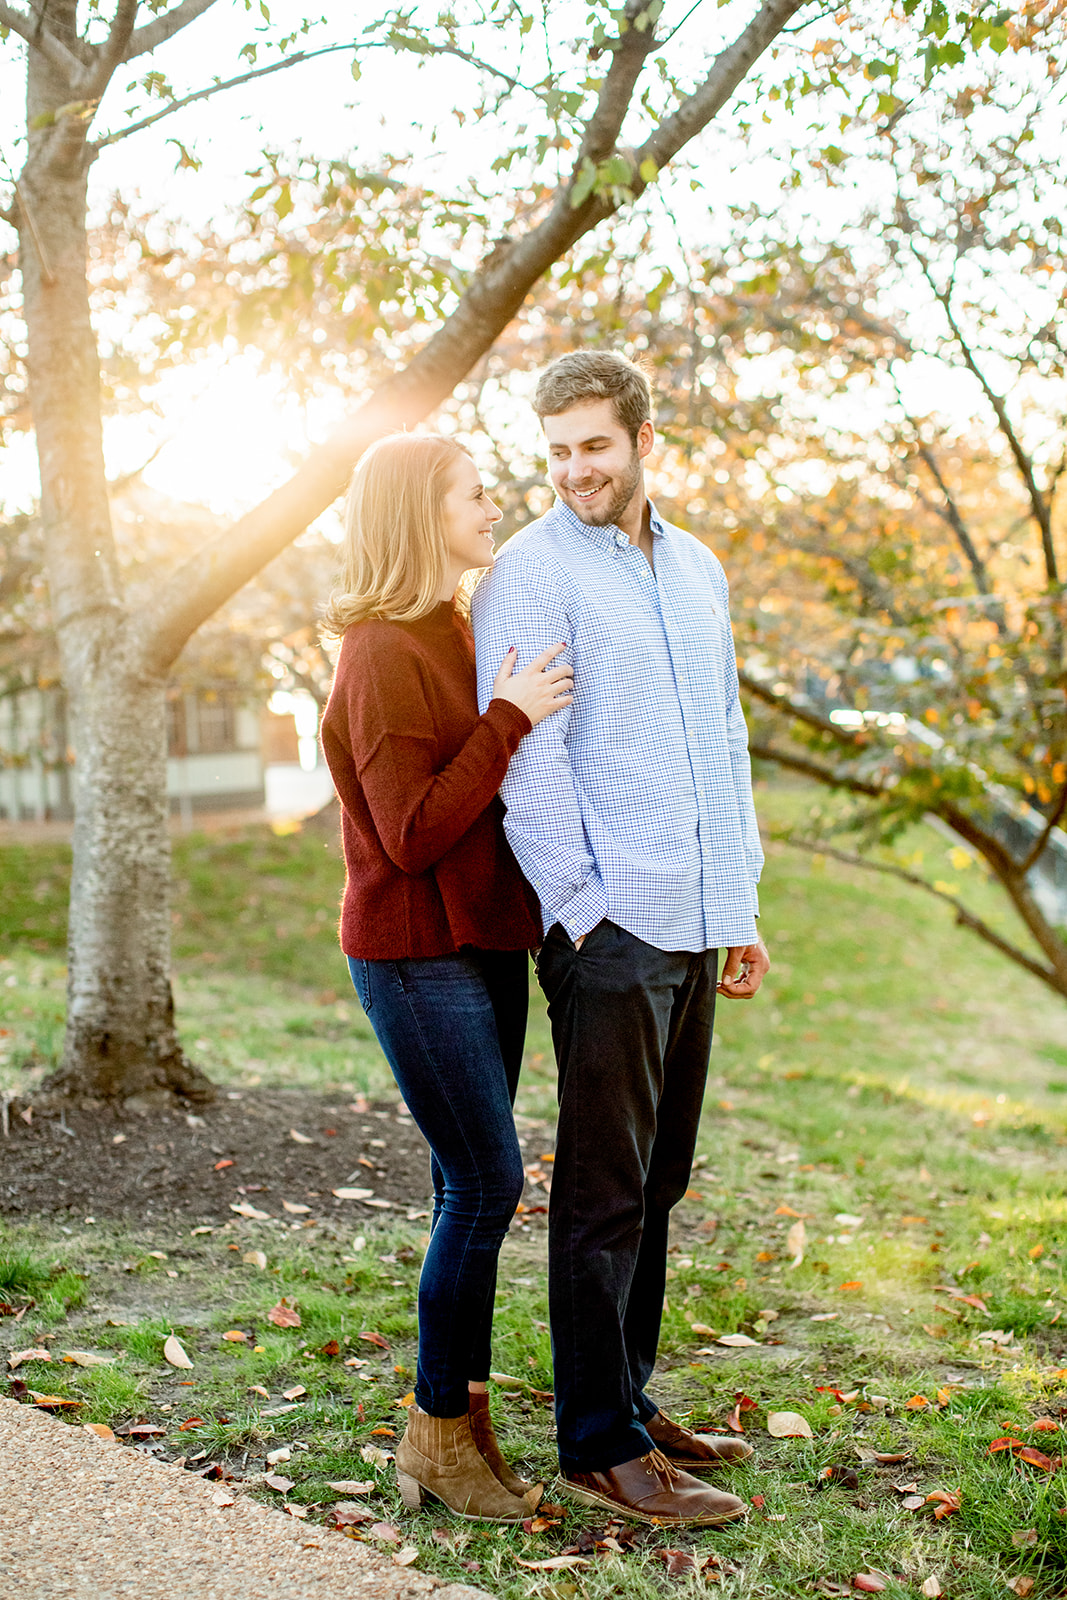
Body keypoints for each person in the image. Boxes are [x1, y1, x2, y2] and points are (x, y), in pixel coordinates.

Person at [471, 351, 770, 1527]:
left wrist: (736, 902)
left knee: (661, 1177)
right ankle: (596, 1444)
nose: (572, 470)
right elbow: (528, 765)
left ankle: (629, 1404)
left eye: (591, 445)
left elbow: (727, 740)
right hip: (610, 925)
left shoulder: (698, 568)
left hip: (696, 915)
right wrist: (580, 909)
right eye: (554, 450)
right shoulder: (530, 573)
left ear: (644, 438)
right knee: (601, 1191)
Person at [319, 431, 573, 1522]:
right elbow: (411, 832)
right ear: (420, 514)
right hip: (416, 953)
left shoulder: (450, 627)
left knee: (460, 1187)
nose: (491, 504)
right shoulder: (379, 650)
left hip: (483, 943)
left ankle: (464, 1421)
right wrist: (508, 717)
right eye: (472, 492)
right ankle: (433, 1430)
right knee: (485, 1185)